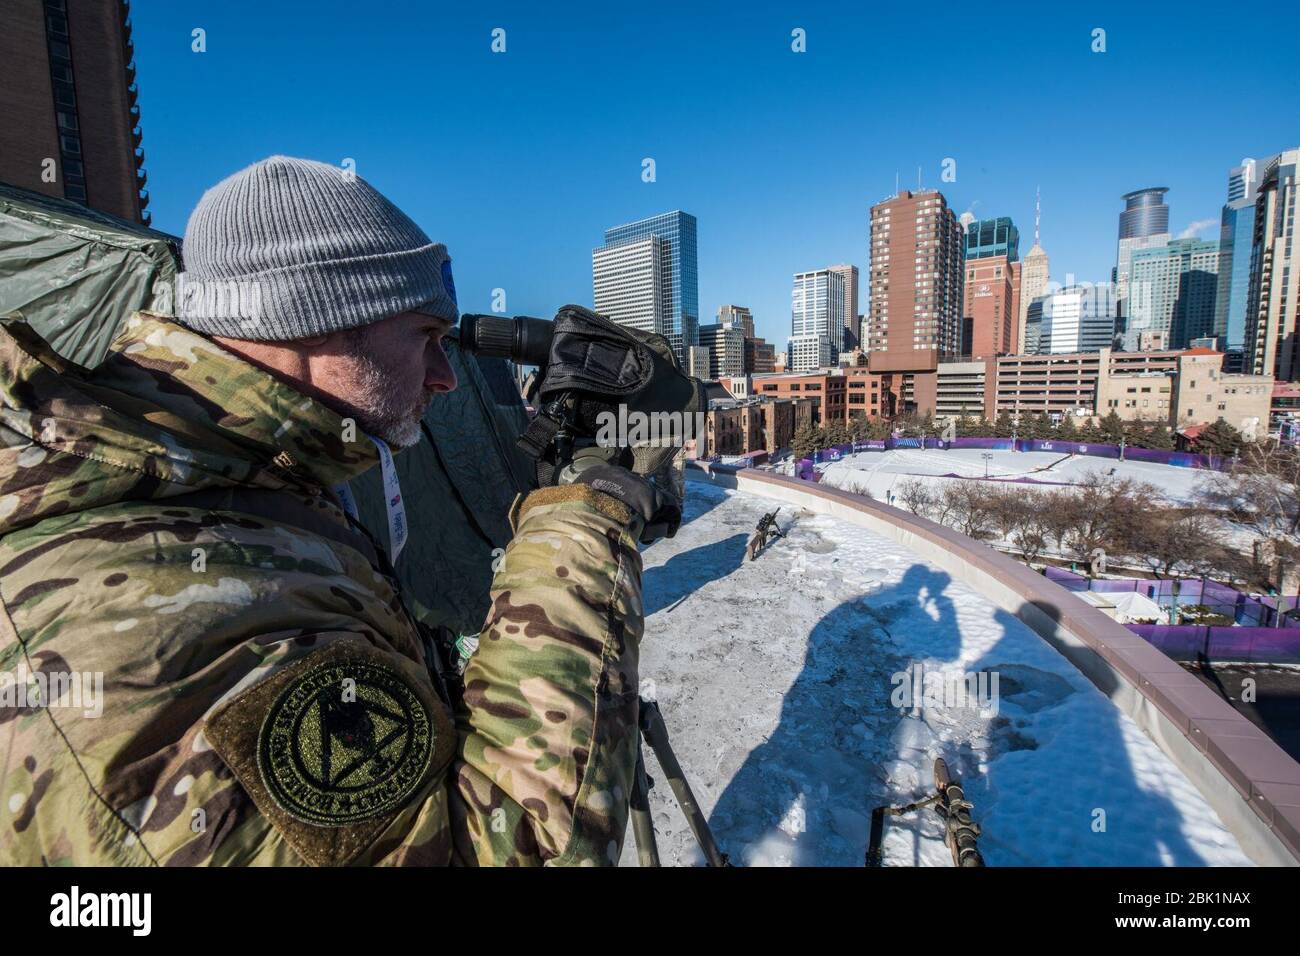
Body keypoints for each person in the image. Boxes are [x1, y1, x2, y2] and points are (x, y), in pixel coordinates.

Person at [0, 156, 677, 866]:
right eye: (423, 336)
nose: (445, 377)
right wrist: (583, 518)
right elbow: (497, 848)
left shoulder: (238, 479)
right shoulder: (150, 604)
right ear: (314, 320)